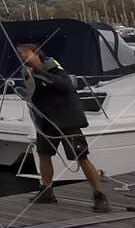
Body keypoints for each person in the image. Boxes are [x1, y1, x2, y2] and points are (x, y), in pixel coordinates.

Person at [17, 42, 109, 211]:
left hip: (66, 120)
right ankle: (47, 191)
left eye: (24, 52)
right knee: (43, 155)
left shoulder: (54, 68)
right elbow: (33, 95)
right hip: (45, 121)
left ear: (36, 53)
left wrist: (38, 73)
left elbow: (65, 86)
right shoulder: (26, 73)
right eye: (19, 53)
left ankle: (99, 195)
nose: (21, 56)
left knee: (81, 157)